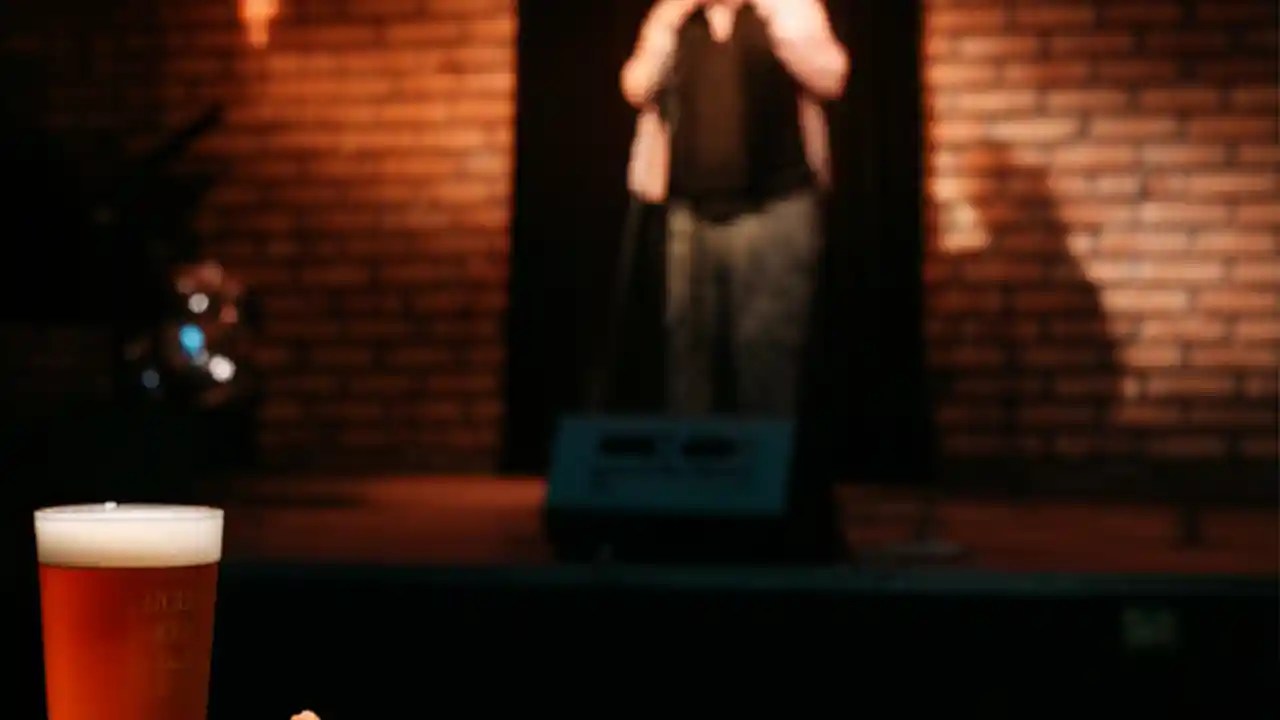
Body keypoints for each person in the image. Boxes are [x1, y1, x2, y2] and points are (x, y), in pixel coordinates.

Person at [621, 0, 849, 418]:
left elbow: (831, 77)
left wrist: (774, 14)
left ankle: (771, 468)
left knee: (766, 346)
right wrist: (671, 19)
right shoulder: (675, 17)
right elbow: (636, 86)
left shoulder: (789, 9)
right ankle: (696, 470)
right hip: (690, 211)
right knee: (689, 344)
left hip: (775, 207)